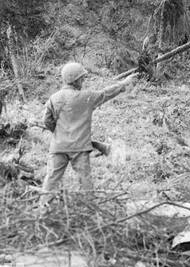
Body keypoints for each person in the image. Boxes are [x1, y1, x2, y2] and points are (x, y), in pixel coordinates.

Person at [37, 61, 134, 210]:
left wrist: (59, 134)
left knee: (51, 180)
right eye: (81, 79)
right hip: (80, 149)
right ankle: (89, 211)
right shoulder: (86, 97)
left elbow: (47, 121)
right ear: (75, 80)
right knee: (85, 181)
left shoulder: (54, 98)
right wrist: (123, 84)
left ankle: (42, 209)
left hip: (58, 147)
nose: (83, 81)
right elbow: (105, 94)